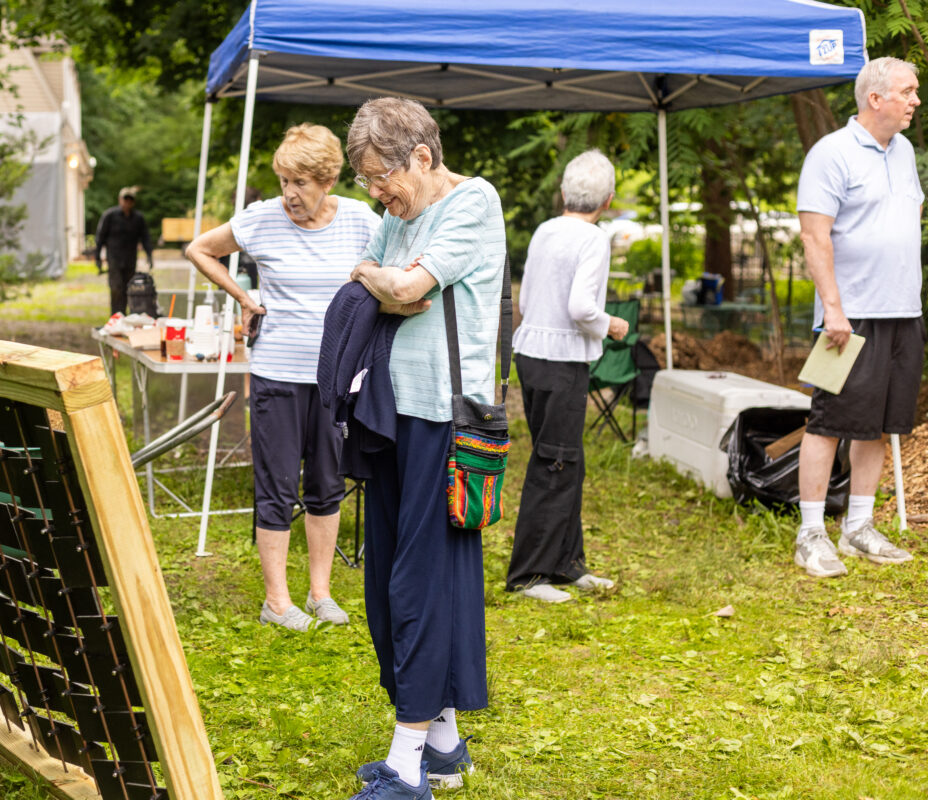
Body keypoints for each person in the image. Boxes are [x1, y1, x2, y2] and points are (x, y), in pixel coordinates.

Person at [343, 97, 505, 800]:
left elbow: (402, 284)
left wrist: (388, 284)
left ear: (422, 157)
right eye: (368, 183)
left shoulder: (474, 204)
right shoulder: (398, 216)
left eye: (383, 177)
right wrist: (385, 284)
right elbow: (376, 279)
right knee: (389, 582)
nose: (378, 194)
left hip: (445, 419)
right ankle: (441, 745)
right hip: (391, 413)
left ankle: (408, 766)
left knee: (422, 582)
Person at [185, 124, 380, 631]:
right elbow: (200, 249)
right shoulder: (261, 220)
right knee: (275, 486)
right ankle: (276, 601)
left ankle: (319, 593)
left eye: (301, 183)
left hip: (334, 377)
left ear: (329, 179)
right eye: (283, 181)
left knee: (326, 483)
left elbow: (385, 273)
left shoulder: (361, 220)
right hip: (276, 374)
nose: (290, 194)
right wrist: (245, 298)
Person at [794, 56, 923, 578]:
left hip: (902, 312)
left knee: (880, 425)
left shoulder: (906, 150)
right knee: (828, 422)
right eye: (908, 91)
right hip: (846, 318)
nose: (916, 100)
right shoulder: (830, 154)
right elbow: (813, 235)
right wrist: (833, 309)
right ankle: (811, 534)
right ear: (877, 99)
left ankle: (858, 528)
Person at [504, 150, 628, 604]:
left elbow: (530, 294)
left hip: (532, 354)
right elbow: (581, 308)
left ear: (563, 193)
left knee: (563, 460)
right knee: (555, 464)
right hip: (561, 361)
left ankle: (567, 564)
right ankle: (529, 575)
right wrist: (611, 324)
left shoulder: (545, 229)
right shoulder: (592, 238)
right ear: (609, 200)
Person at [95, 187, 154, 317]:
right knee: (116, 288)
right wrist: (97, 258)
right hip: (114, 258)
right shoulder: (110, 216)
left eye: (130, 200)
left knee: (129, 287)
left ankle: (127, 314)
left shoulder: (138, 218)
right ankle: (116, 315)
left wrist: (149, 255)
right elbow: (100, 237)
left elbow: (145, 238)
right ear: (120, 200)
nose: (127, 203)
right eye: (125, 199)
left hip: (130, 258)